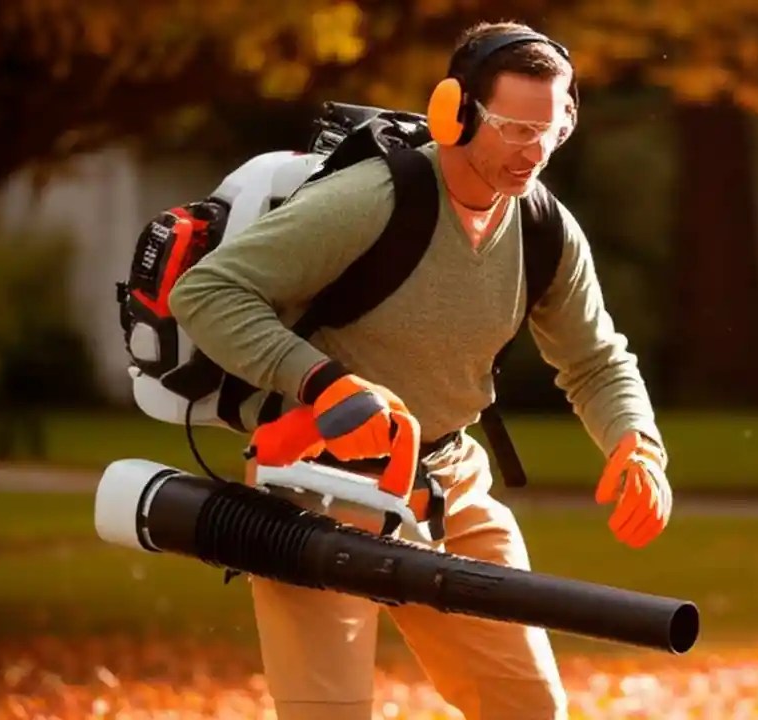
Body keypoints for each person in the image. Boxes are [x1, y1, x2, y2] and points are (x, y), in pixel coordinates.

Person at [167, 20, 673, 720]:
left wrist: (635, 441)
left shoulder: (544, 229)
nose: (535, 153)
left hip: (448, 483)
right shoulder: (372, 200)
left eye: (551, 131)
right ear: (455, 112)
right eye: (514, 129)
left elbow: (594, 359)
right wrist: (321, 382)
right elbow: (207, 291)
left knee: (528, 710)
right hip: (319, 483)